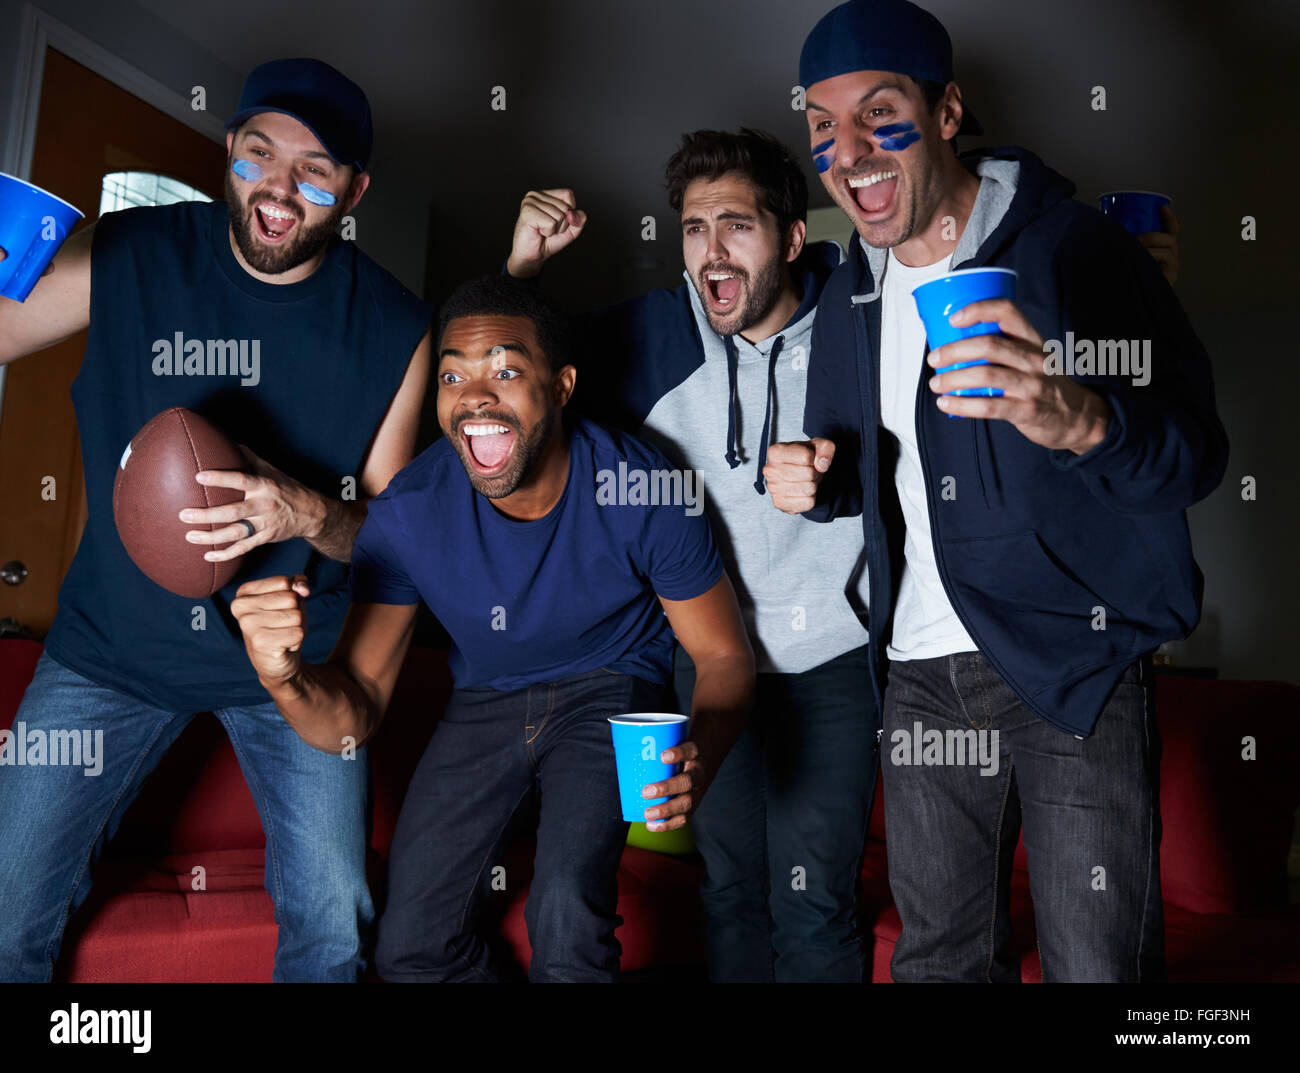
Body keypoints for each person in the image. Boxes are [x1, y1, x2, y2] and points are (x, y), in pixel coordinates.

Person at [765, 0, 1227, 982]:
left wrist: (1083, 420)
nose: (848, 150)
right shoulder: (847, 288)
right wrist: (816, 482)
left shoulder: (1075, 248)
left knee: (1098, 964)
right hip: (920, 674)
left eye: (878, 113)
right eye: (821, 128)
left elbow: (1193, 453)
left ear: (945, 112)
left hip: (1074, 660)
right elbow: (868, 473)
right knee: (938, 961)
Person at [0, 58, 433, 982]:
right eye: (260, 153)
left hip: (291, 667)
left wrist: (307, 506)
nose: (280, 188)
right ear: (228, 150)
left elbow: (402, 541)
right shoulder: (130, 251)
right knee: (3, 912)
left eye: (316, 170)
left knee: (332, 930)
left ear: (353, 191)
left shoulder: (398, 325)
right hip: (105, 650)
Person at [232, 275, 754, 982]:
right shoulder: (409, 514)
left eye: (505, 370)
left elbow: (722, 652)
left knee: (566, 914)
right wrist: (283, 676)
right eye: (453, 375)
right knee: (411, 947)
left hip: (608, 686)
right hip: (487, 699)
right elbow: (350, 715)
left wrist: (704, 751)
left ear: (562, 386)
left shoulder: (642, 485)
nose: (475, 396)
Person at [505, 130, 876, 982]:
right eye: (694, 227)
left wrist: (839, 470)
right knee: (729, 886)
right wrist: (524, 267)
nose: (711, 249)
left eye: (736, 225)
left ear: (788, 238)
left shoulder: (859, 324)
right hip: (708, 665)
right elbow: (510, 361)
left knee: (814, 901)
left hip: (832, 661)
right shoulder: (656, 335)